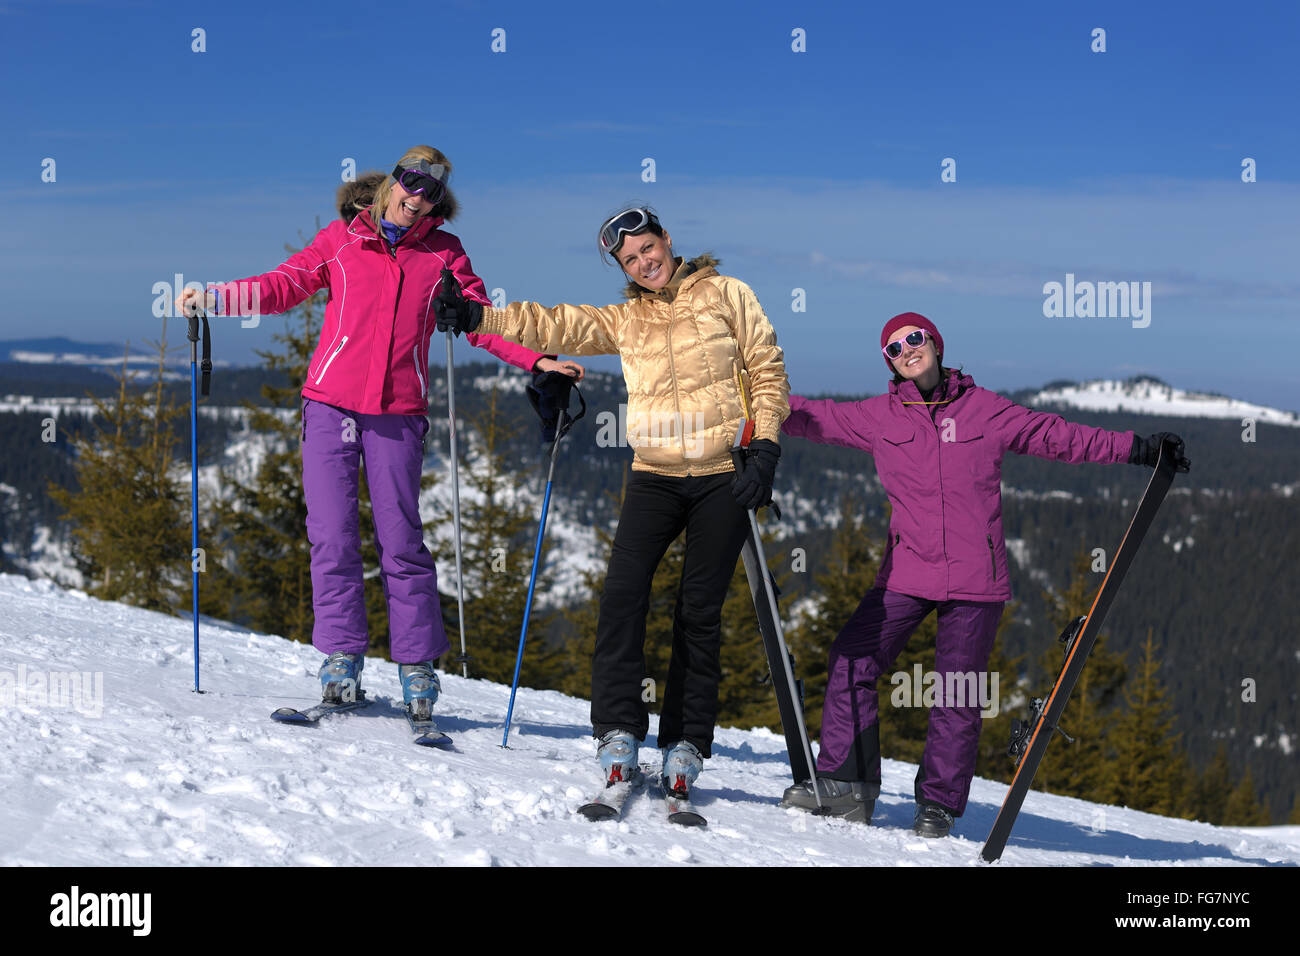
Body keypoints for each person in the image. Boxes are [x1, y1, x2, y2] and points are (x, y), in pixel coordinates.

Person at [177, 145, 583, 722]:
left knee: (401, 539)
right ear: (393, 181)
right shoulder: (340, 240)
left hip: (398, 410)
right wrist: (216, 299)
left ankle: (416, 667)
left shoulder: (445, 253)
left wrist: (538, 360)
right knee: (332, 534)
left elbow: (481, 320)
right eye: (413, 183)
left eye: (432, 192)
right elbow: (282, 286)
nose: (419, 198)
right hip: (329, 405)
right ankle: (342, 658)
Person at [777, 311, 1190, 837]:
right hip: (905, 573)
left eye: (915, 338)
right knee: (852, 658)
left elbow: (1057, 436)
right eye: (894, 348)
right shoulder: (879, 416)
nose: (906, 349)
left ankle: (938, 804)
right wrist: (746, 402)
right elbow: (812, 417)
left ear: (936, 343)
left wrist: (1138, 447)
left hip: (975, 578)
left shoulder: (985, 410)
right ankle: (845, 783)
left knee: (957, 690)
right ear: (890, 363)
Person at [436, 205, 789, 801]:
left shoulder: (729, 294)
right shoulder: (626, 319)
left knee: (699, 611)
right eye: (630, 259)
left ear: (667, 240)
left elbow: (766, 369)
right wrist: (478, 314)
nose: (645, 262)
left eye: (648, 248)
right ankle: (619, 729)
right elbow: (554, 324)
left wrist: (766, 449)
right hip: (653, 475)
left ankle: (686, 742)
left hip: (721, 473)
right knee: (622, 596)